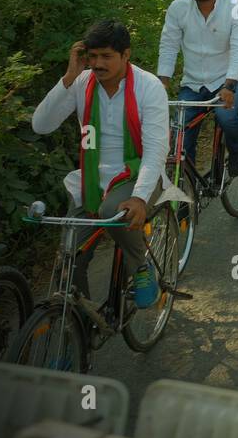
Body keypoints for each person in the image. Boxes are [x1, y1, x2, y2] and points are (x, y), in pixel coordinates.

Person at [32, 20, 175, 308]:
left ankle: (141, 267)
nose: (98, 64)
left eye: (107, 56)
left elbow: (156, 150)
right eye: (93, 56)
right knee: (69, 258)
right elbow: (41, 125)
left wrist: (139, 197)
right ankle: (76, 324)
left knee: (113, 209)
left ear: (126, 55)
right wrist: (69, 77)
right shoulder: (82, 82)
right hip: (91, 180)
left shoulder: (148, 87)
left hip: (138, 175)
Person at [157, 0, 238, 176]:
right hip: (193, 81)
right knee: (180, 136)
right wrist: (162, 82)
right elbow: (169, 44)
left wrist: (229, 86)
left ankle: (237, 151)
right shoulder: (178, 7)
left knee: (226, 118)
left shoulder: (235, 7)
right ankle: (185, 194)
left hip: (227, 78)